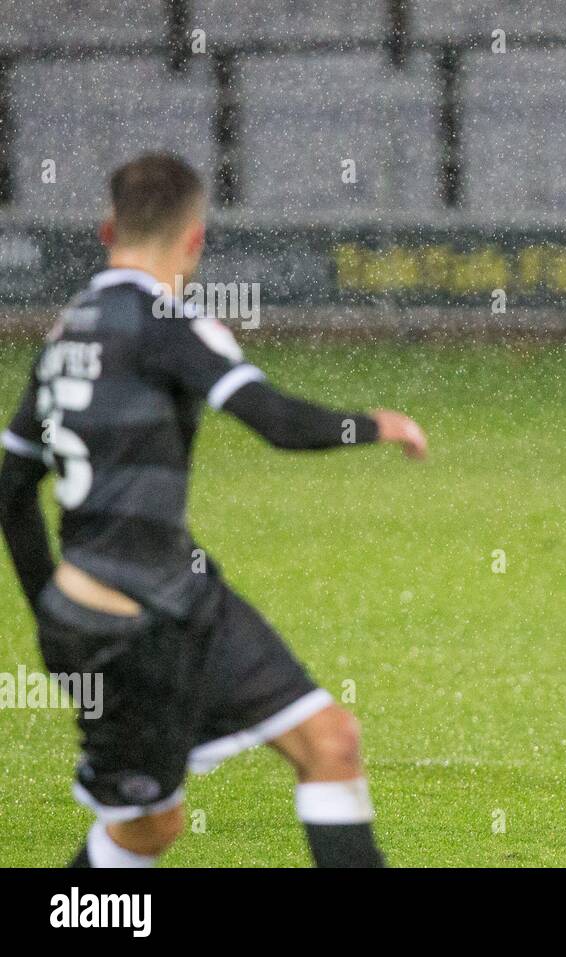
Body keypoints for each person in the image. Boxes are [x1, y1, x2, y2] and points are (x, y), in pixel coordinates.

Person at [0, 153, 428, 866]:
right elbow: (278, 423)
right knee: (150, 822)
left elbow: (12, 491)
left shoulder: (66, 332)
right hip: (130, 627)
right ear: (195, 240)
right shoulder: (168, 324)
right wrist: (374, 424)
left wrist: (51, 603)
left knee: (324, 743)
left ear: (110, 229)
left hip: (161, 603)